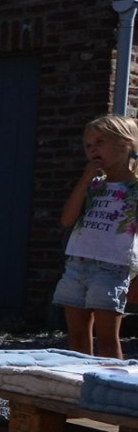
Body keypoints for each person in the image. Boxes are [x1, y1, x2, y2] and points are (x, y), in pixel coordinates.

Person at [55, 115, 138, 357]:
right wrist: (85, 180)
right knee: (77, 336)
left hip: (112, 268)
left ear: (126, 144)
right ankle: (79, 378)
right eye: (88, 145)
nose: (93, 150)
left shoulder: (134, 188)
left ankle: (111, 380)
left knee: (107, 339)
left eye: (100, 142)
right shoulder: (93, 185)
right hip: (77, 264)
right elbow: (67, 219)